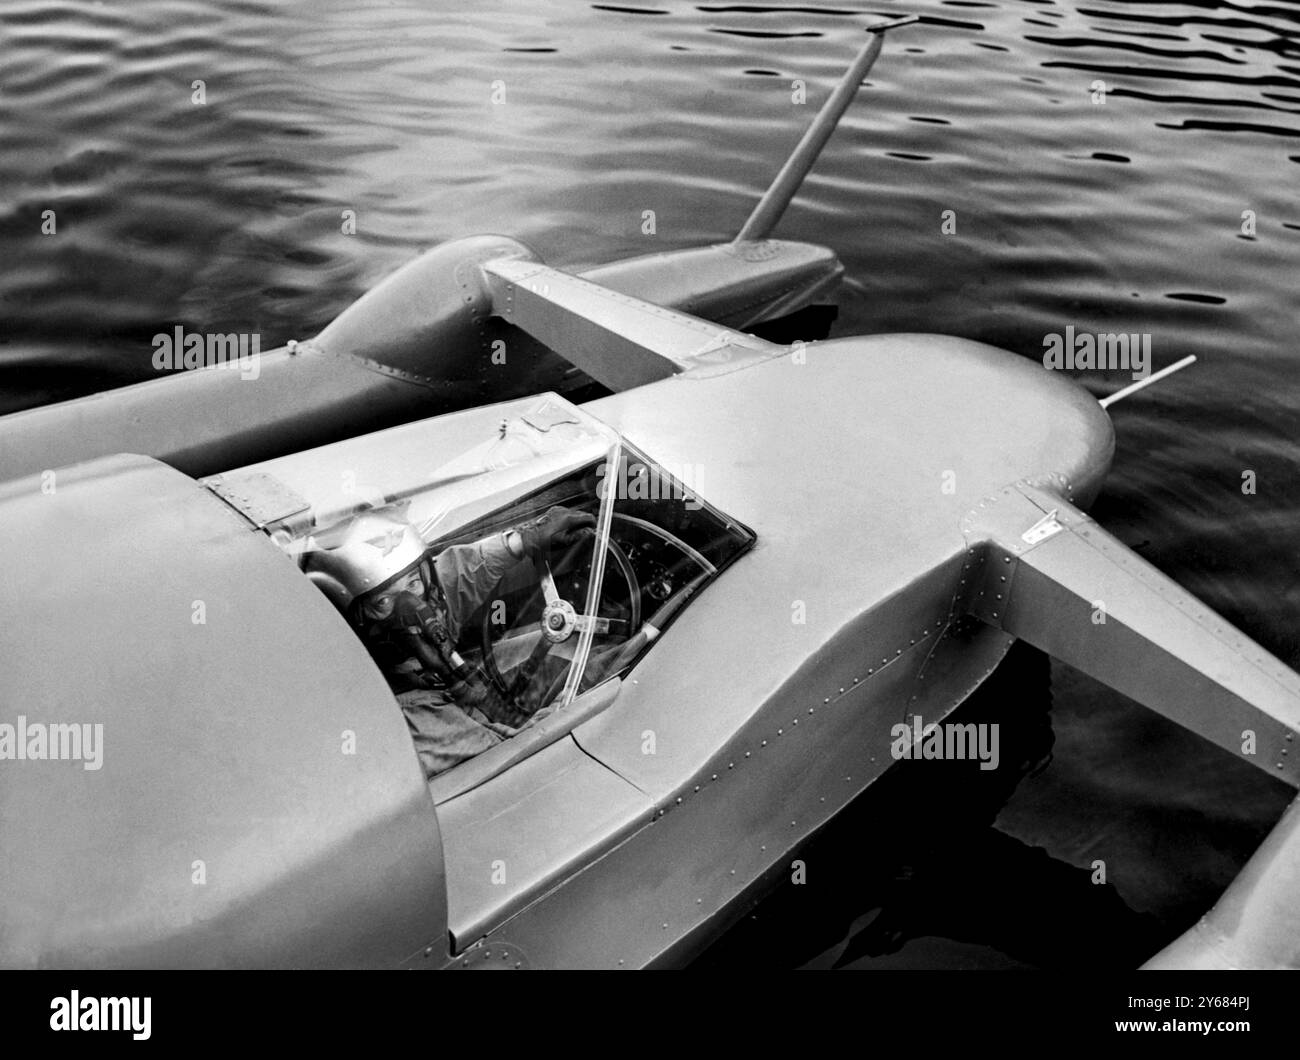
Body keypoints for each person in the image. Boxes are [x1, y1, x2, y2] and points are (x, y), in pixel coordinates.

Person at [306, 505, 596, 777]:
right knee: (592, 665)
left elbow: (451, 575)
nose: (415, 610)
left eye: (413, 583)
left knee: (576, 645)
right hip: (496, 753)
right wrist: (601, 682)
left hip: (460, 693)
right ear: (354, 621)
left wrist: (521, 540)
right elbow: (526, 754)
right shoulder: (415, 729)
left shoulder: (429, 596)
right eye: (383, 601)